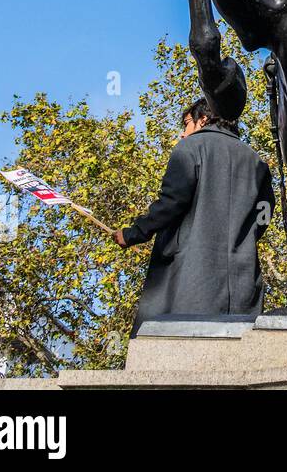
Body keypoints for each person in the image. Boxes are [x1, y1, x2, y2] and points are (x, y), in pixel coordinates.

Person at [116, 98, 275, 331]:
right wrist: (241, 241)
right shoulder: (255, 160)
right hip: (243, 283)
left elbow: (172, 201)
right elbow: (264, 214)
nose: (183, 133)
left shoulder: (191, 147)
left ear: (203, 119)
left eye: (187, 123)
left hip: (189, 282)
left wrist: (134, 233)